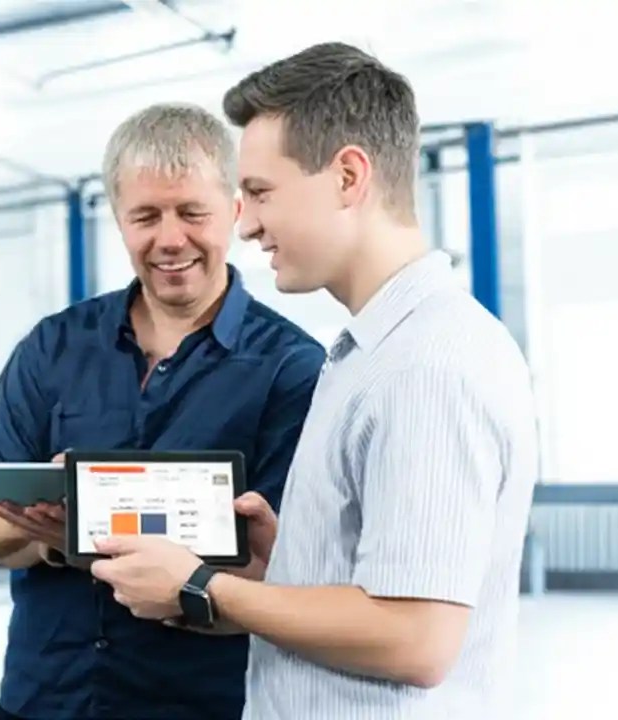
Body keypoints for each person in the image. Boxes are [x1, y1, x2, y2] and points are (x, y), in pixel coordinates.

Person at [89, 42, 540, 719]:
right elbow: (384, 595)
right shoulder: (368, 353)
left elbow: (417, 639)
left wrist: (201, 585)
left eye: (262, 192)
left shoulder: (426, 365)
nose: (247, 225)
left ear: (348, 177)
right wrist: (288, 569)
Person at [0, 102, 326, 720]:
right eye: (145, 216)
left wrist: (104, 543)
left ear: (233, 211)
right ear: (120, 222)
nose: (170, 238)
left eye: (192, 213)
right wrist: (47, 531)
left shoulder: (291, 370)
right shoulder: (52, 348)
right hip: (43, 702)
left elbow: (289, 578)